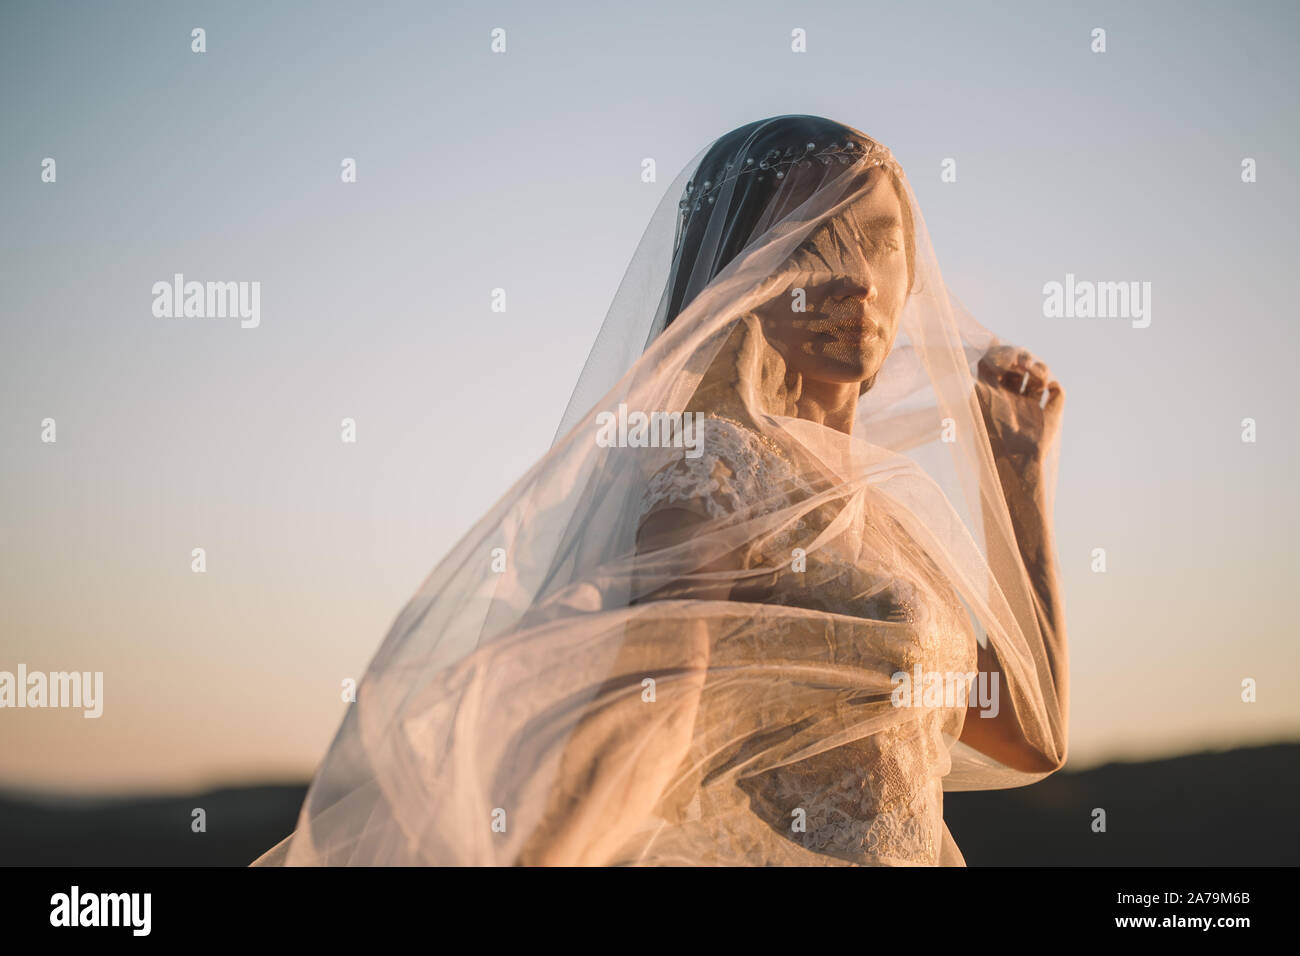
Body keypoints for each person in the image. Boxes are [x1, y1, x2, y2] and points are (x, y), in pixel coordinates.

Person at [253, 114, 1068, 867]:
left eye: (883, 243)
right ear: (739, 271)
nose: (857, 278)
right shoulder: (715, 465)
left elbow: (1033, 735)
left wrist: (1022, 478)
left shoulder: (888, 511)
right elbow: (652, 698)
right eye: (816, 240)